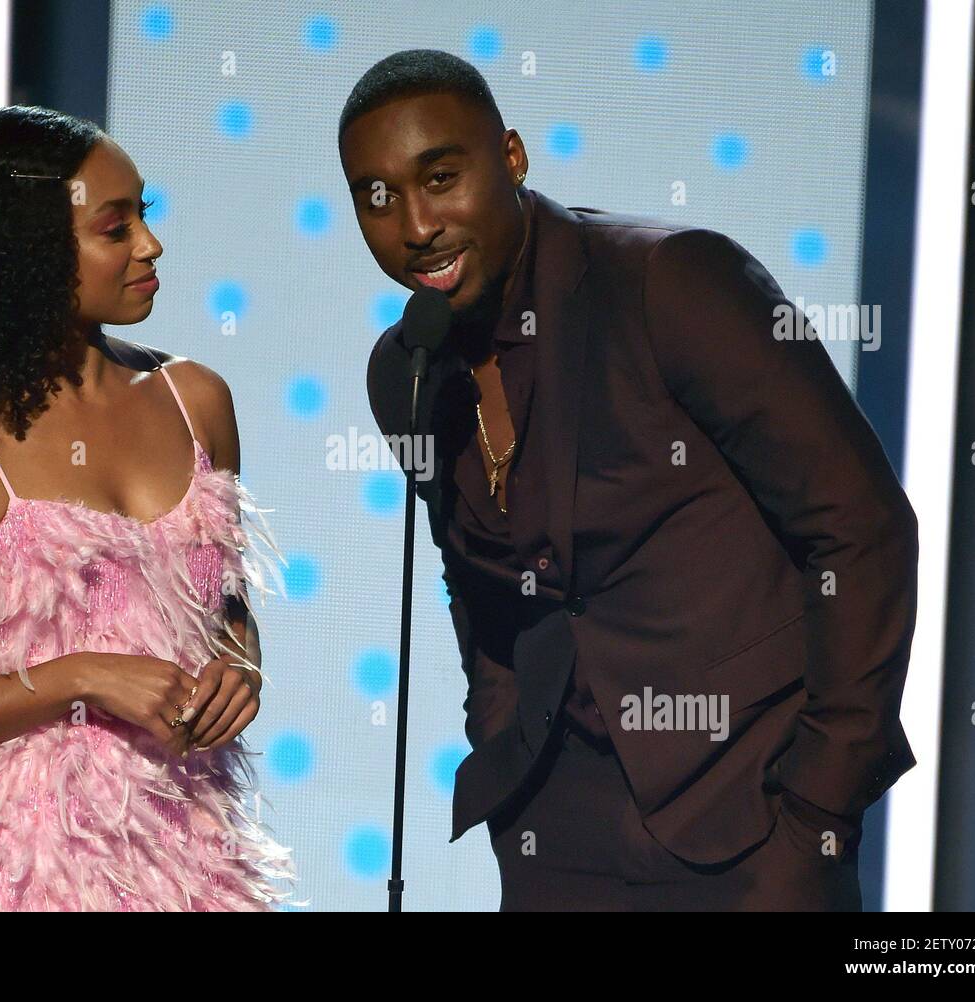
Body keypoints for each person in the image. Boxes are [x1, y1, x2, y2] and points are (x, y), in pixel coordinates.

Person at [346, 50, 918, 910]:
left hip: (750, 821)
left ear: (511, 157)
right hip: (557, 842)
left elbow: (861, 529)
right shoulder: (408, 374)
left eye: (441, 178)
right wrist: (506, 757)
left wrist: (818, 811)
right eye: (379, 197)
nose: (416, 224)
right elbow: (478, 588)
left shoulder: (670, 281)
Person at [0, 105, 295, 911]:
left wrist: (241, 664)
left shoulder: (196, 401)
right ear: (33, 255)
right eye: (115, 228)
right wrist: (80, 676)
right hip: (22, 873)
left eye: (143, 216)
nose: (150, 245)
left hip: (189, 856)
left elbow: (223, 606)